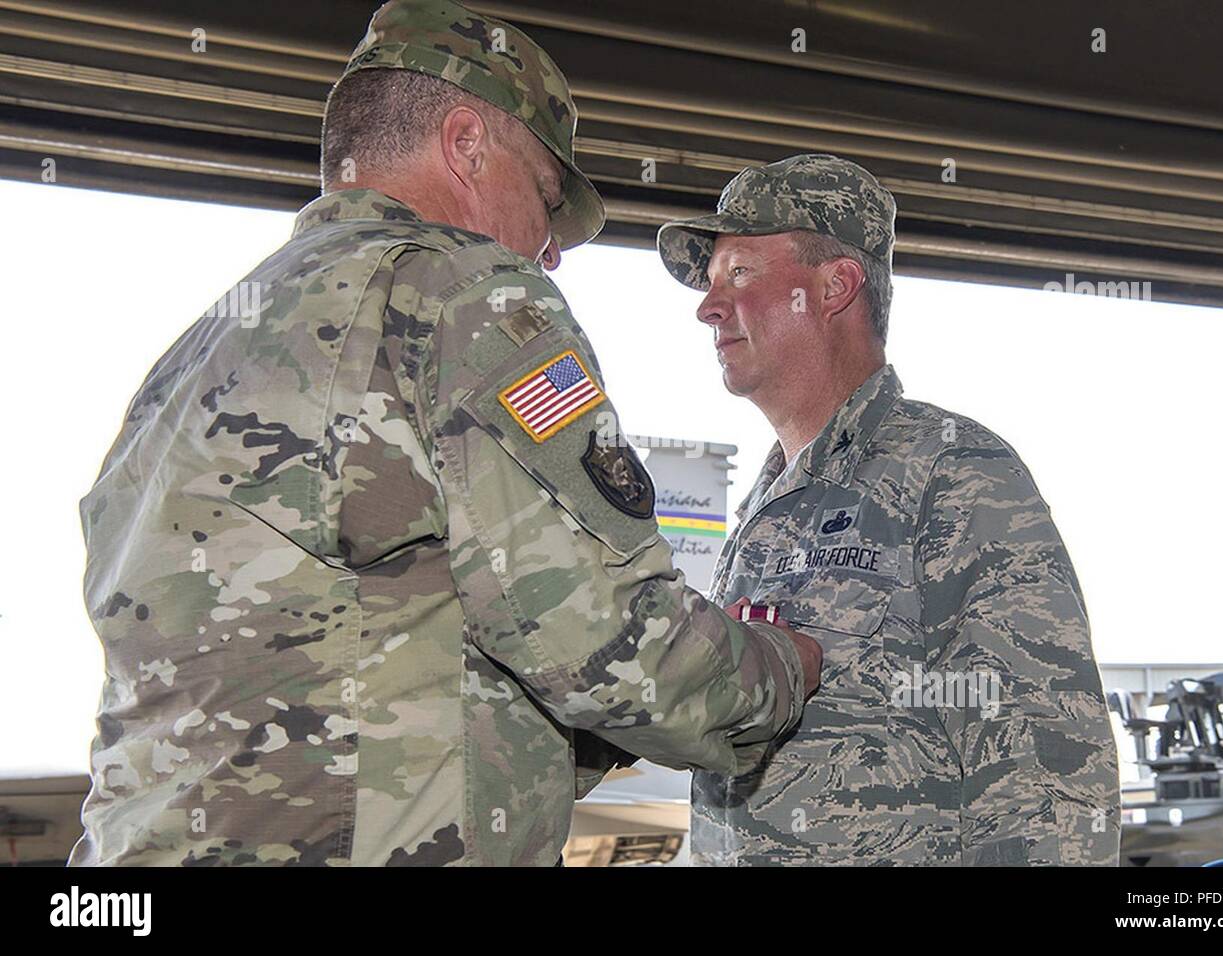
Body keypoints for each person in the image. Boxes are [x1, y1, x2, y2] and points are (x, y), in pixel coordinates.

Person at [70, 0, 820, 867]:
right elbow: (611, 641)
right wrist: (780, 669)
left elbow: (387, 657)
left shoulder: (196, 353)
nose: (549, 251)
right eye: (545, 197)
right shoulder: (461, 294)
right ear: (466, 145)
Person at [657, 153, 1120, 865]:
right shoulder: (768, 506)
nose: (707, 306)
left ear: (836, 286)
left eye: (740, 273)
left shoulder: (952, 471)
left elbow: (1048, 771)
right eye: (712, 281)